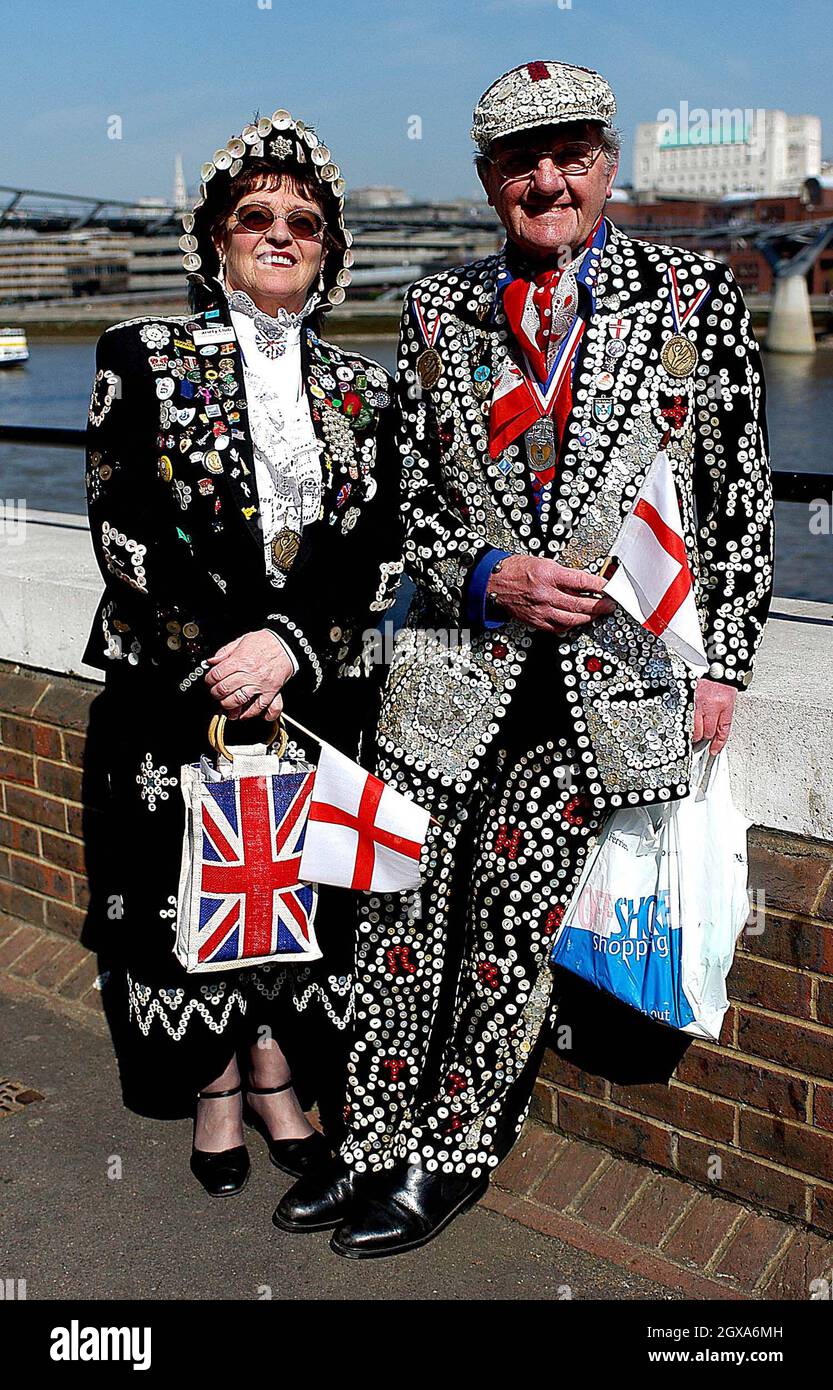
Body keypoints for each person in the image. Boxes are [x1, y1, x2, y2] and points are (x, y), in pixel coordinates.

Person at [274, 61, 773, 1257]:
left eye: (570, 154)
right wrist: (482, 577)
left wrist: (725, 666)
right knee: (392, 910)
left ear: (607, 163)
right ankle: (366, 1141)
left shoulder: (692, 294)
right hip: (452, 666)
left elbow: (735, 496)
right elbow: (404, 510)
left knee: (506, 938)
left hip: (604, 684)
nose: (545, 179)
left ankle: (442, 1157)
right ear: (486, 177)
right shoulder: (435, 311)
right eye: (518, 160)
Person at [83, 108, 401, 1197]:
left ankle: (276, 1068)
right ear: (213, 237)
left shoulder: (368, 388)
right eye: (254, 216)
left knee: (291, 888)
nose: (280, 234)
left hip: (311, 690)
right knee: (192, 887)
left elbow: (374, 540)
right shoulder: (140, 355)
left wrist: (289, 648)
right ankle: (216, 1081)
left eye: (303, 222)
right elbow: (125, 521)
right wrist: (227, 652)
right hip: (180, 685)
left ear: (329, 246)